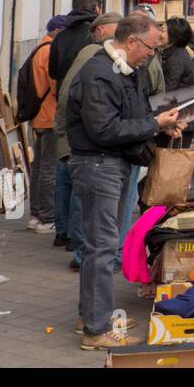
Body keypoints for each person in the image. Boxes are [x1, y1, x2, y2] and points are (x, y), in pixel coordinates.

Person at [66, 13, 182, 349]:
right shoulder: (100, 73)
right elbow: (103, 129)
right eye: (149, 47)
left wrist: (159, 123)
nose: (151, 54)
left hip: (110, 163)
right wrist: (153, 124)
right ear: (130, 42)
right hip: (98, 164)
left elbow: (131, 114)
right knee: (101, 247)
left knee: (102, 245)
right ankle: (96, 330)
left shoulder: (124, 70)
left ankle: (91, 314)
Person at [53, 13, 121, 262]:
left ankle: (72, 238)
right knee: (81, 193)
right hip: (85, 140)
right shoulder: (94, 53)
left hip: (81, 136)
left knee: (73, 188)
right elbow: (68, 94)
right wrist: (62, 129)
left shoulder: (103, 55)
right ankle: (82, 251)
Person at [26, 15, 67, 234]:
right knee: (49, 169)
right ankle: (46, 217)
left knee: (39, 168)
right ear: (58, 31)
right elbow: (55, 87)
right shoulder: (50, 51)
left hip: (38, 117)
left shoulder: (38, 47)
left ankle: (35, 214)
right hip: (50, 116)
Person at [48, 0, 102, 81]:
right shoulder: (98, 36)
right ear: (96, 8)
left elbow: (53, 73)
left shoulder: (59, 36)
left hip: (63, 93)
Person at [159, 16, 194, 92]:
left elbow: (166, 90)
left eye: (162, 30)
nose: (158, 33)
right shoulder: (174, 52)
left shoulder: (176, 59)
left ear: (174, 34)